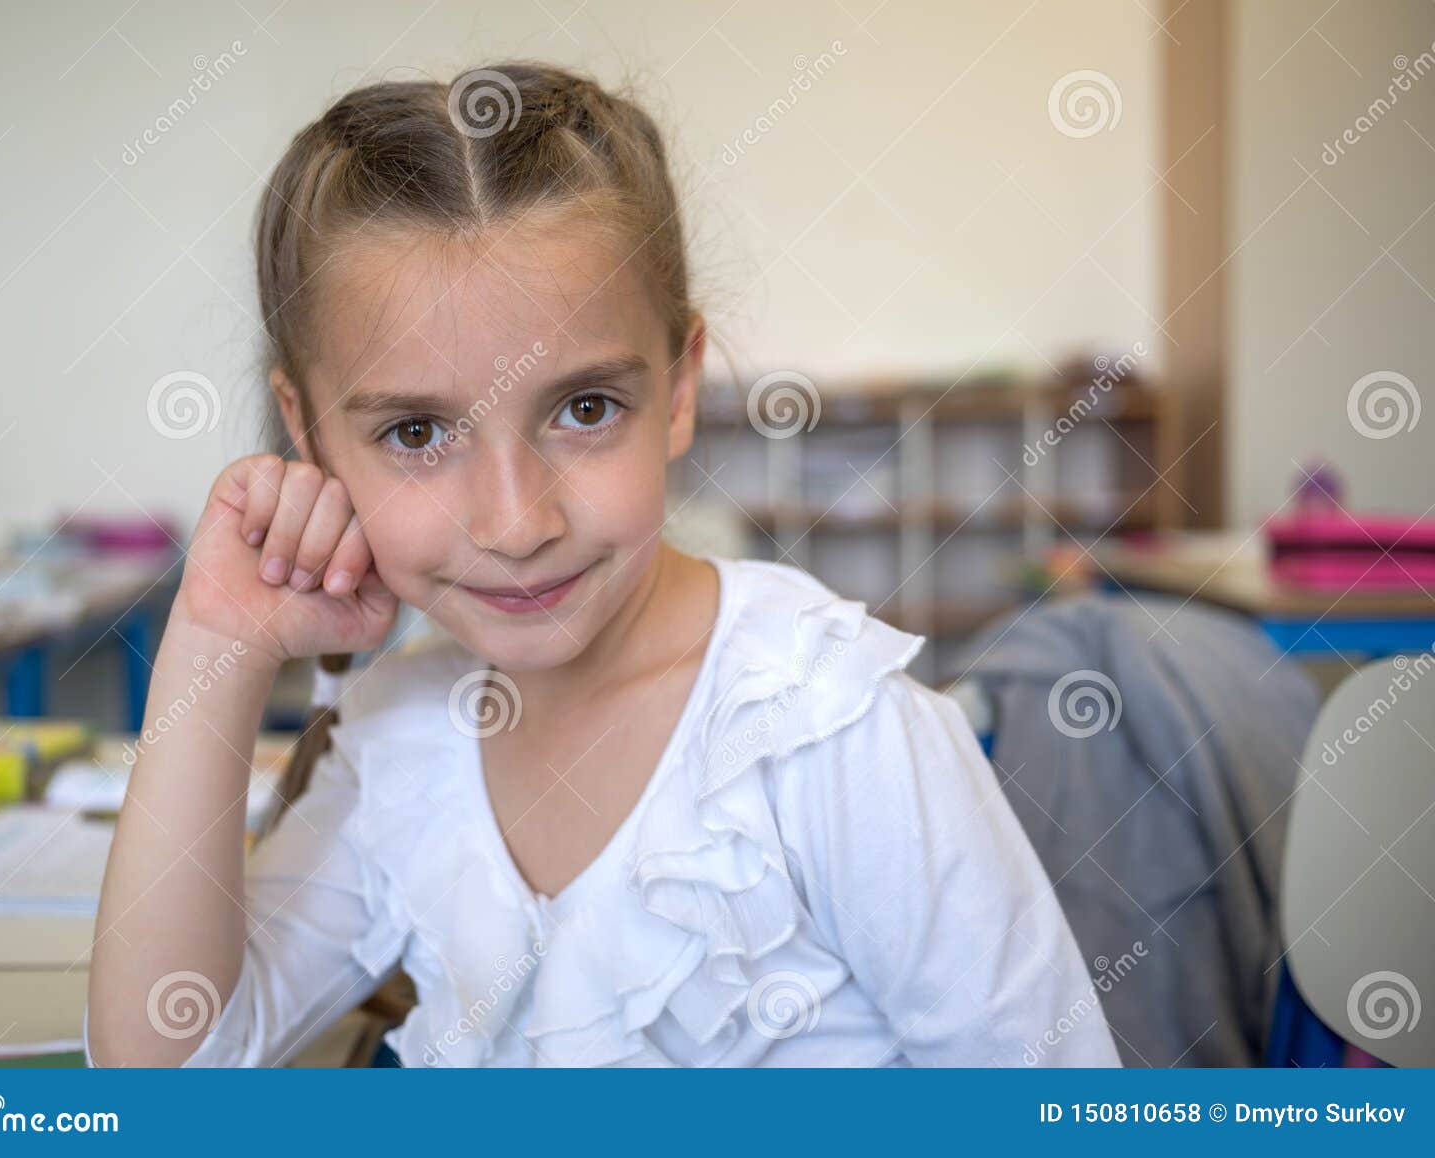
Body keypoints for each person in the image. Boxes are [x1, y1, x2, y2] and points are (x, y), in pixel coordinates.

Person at [85, 61, 1119, 1068]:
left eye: (585, 409)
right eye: (414, 433)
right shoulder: (403, 742)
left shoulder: (827, 731)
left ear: (676, 392)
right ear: (307, 434)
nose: (516, 520)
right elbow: (162, 1073)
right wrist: (218, 643)